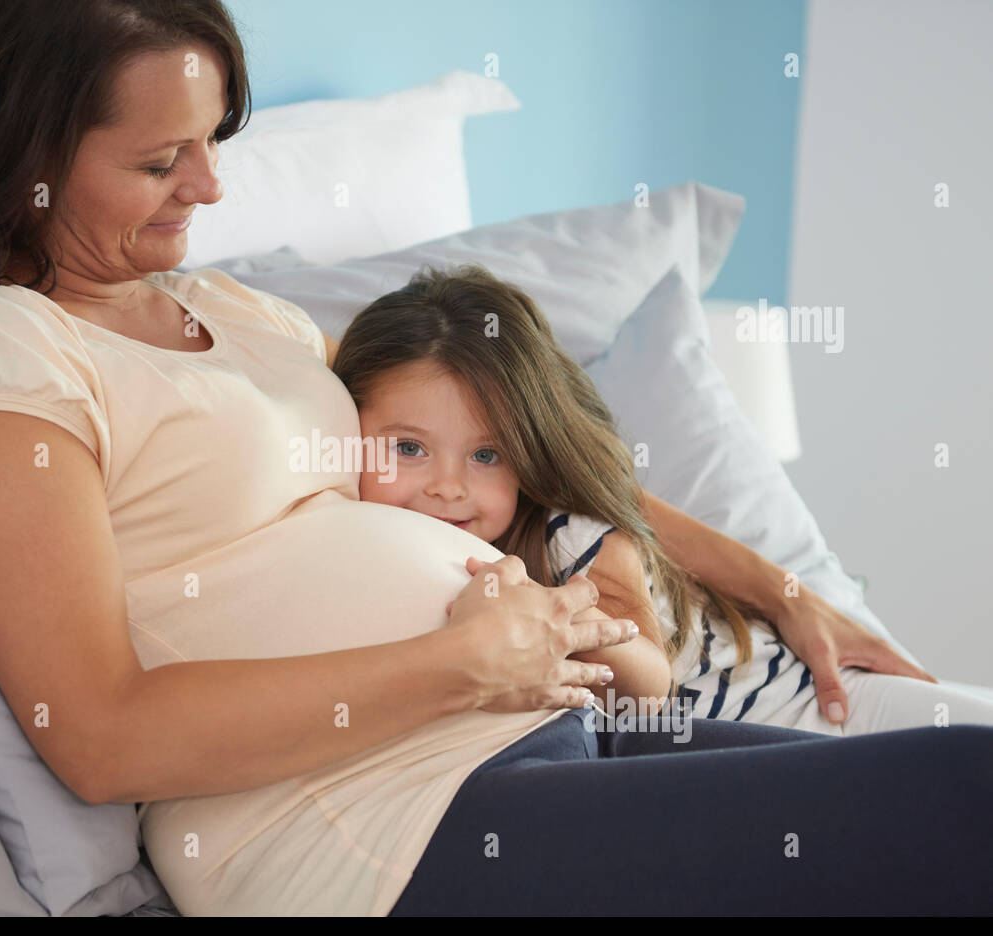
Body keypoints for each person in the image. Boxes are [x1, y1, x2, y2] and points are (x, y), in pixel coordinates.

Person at [0, 0, 993, 915]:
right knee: (964, 797)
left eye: (211, 144)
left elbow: (521, 434)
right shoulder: (5, 343)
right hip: (363, 831)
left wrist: (773, 583)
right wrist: (463, 668)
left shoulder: (235, 312)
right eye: (160, 161)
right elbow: (96, 734)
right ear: (31, 159)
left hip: (532, 742)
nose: (207, 188)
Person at [332, 262, 993, 737]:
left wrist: (546, 619)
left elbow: (648, 686)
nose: (448, 485)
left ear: (529, 459)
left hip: (815, 707)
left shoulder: (571, 534)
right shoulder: (347, 524)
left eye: (486, 455)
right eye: (408, 448)